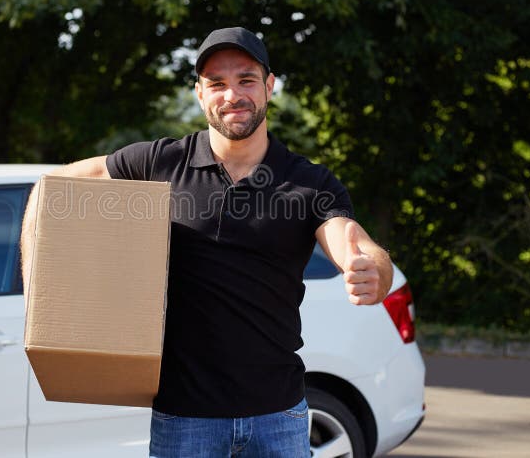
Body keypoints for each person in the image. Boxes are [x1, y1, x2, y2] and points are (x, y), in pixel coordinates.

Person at [20, 26, 393, 457]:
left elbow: (354, 244)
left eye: (246, 80)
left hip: (279, 417)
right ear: (200, 94)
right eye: (217, 83)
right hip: (184, 419)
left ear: (269, 86)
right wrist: (37, 283)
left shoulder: (308, 182)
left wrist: (370, 269)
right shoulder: (160, 162)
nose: (232, 94)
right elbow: (53, 187)